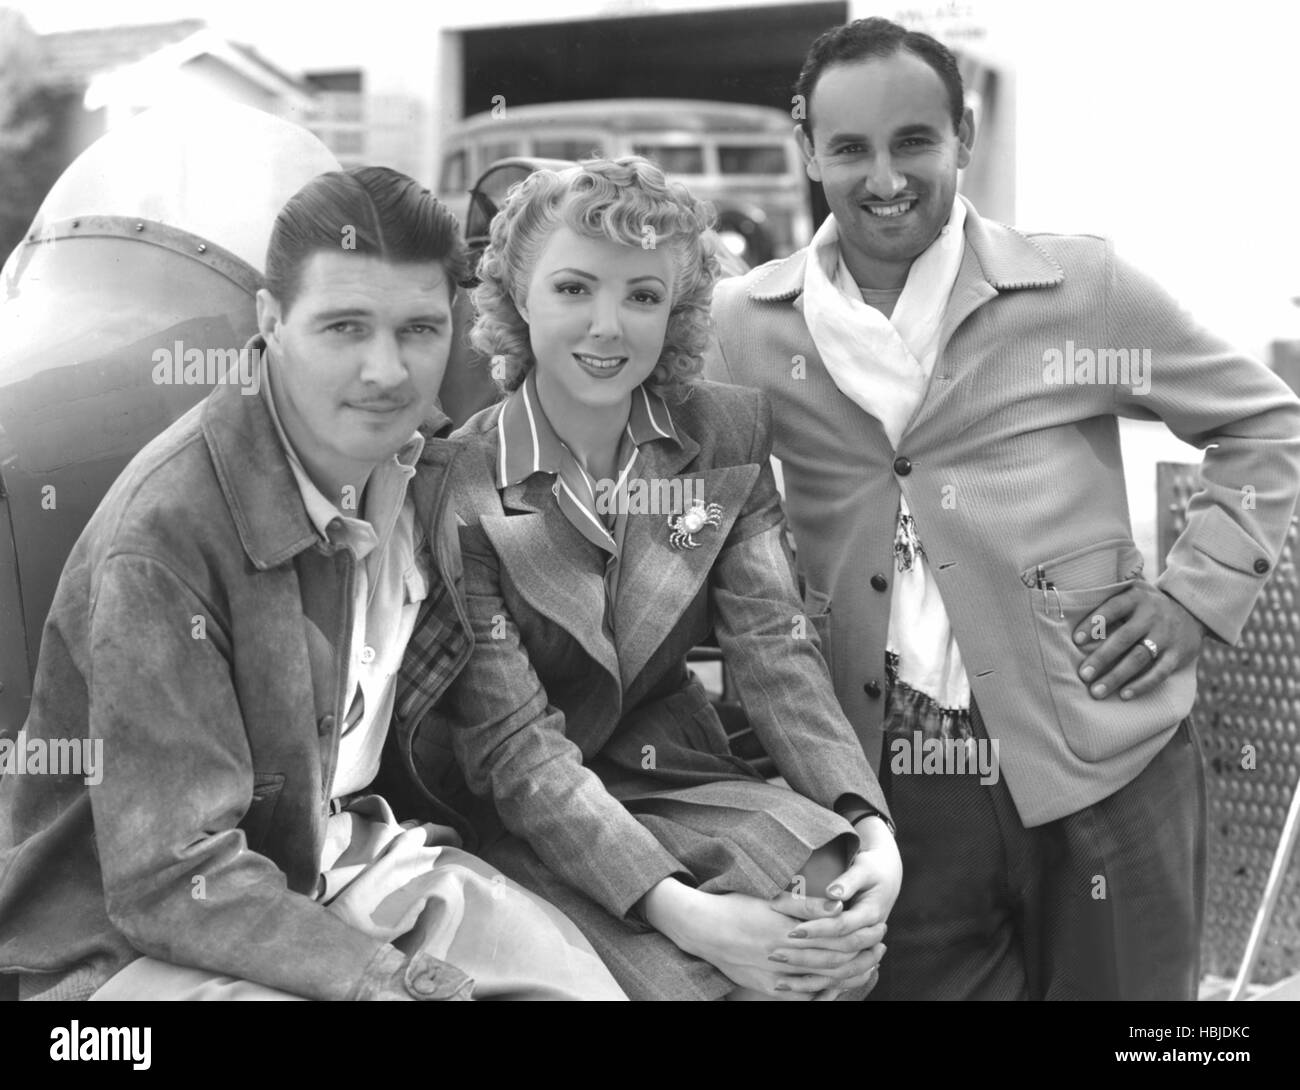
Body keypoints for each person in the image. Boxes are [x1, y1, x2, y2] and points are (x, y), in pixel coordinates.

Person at [706, 16, 1300, 1001]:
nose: (884, 179)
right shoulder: (749, 329)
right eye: (849, 148)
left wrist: (1194, 599)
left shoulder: (1076, 291)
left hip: (1107, 755)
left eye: (914, 141)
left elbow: (1265, 422)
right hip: (893, 782)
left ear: (964, 137)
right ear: (807, 148)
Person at [0, 165, 624, 1001]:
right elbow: (172, 879)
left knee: (578, 983)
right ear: (270, 322)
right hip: (138, 938)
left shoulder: (431, 473)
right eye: (344, 327)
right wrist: (390, 982)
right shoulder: (165, 536)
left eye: (418, 328)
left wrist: (672, 894)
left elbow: (511, 727)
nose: (386, 371)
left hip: (336, 858)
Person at [426, 156, 902, 1001]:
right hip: (536, 808)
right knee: (694, 983)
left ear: (676, 310)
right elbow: (515, 750)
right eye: (574, 289)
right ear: (518, 296)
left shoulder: (723, 432)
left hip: (677, 769)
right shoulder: (459, 482)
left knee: (830, 910)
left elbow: (775, 650)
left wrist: (868, 825)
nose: (608, 327)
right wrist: (687, 915)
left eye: (642, 296)